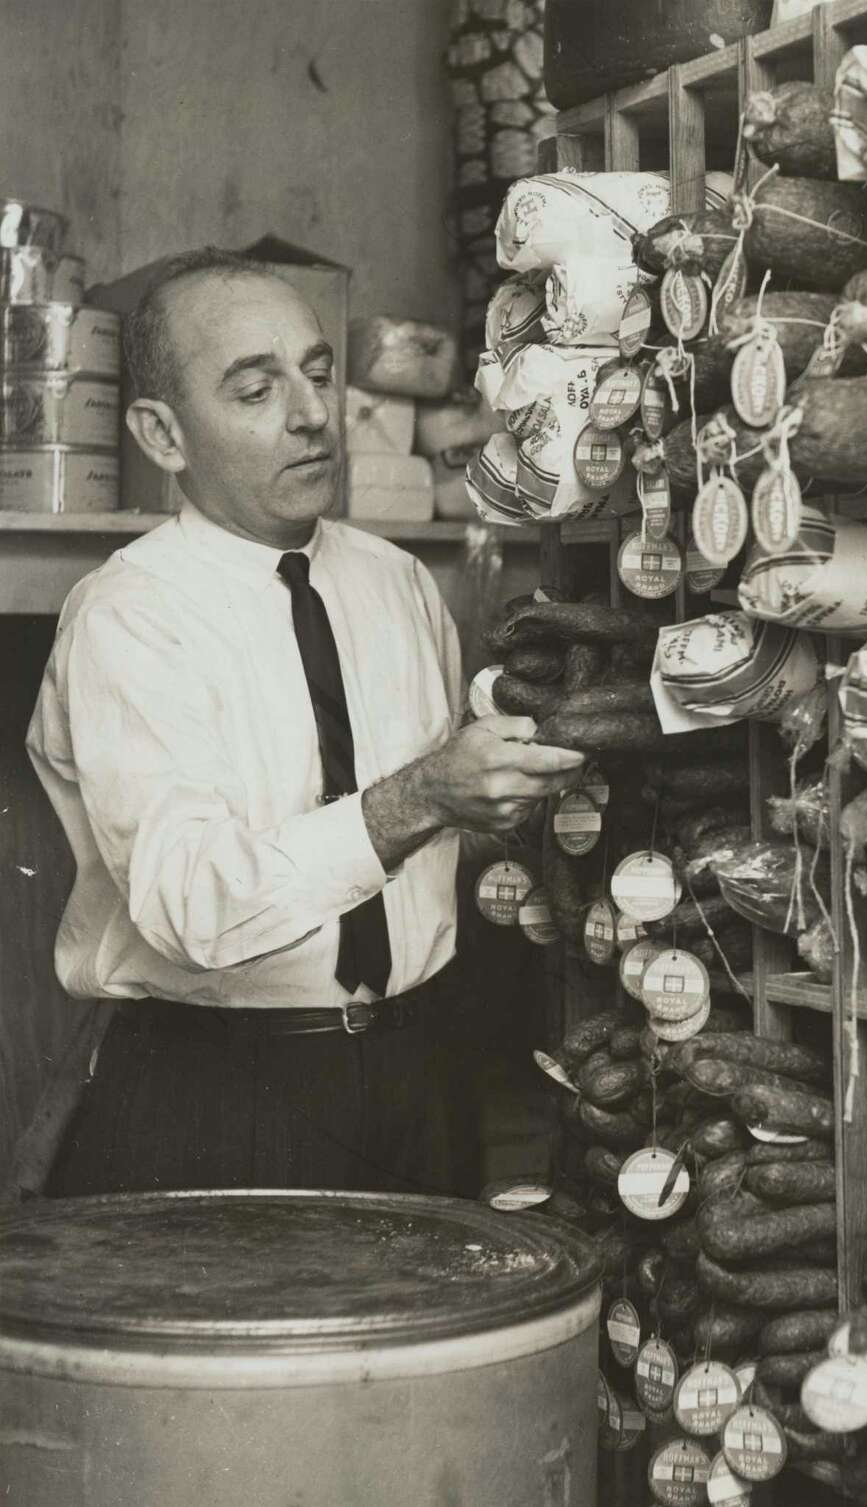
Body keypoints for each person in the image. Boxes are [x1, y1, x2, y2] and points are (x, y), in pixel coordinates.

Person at [26, 246, 583, 1197]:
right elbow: (189, 904)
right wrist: (420, 798)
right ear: (164, 435)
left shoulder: (397, 582)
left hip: (416, 1076)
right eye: (255, 390)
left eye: (318, 374)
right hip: (215, 1090)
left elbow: (451, 834)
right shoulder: (130, 617)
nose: (313, 413)